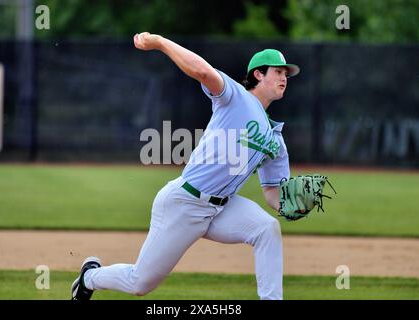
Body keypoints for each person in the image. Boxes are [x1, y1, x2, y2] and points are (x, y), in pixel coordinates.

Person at [71, 32, 300, 301]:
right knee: (139, 283)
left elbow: (272, 192)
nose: (284, 78)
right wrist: (159, 42)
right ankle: (89, 278)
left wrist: (291, 204)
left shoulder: (275, 138)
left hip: (222, 207)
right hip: (185, 201)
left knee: (267, 228)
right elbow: (203, 72)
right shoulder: (235, 97)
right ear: (258, 75)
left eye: (286, 73)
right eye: (278, 71)